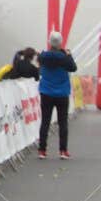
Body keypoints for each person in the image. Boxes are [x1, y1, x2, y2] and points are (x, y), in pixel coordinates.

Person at [36, 31, 77, 159]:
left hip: (46, 92)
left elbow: (39, 63)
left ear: (49, 42)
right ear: (61, 42)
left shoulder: (43, 56)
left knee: (45, 122)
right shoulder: (64, 58)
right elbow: (73, 68)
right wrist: (69, 55)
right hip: (62, 93)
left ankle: (42, 150)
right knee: (62, 122)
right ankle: (63, 151)